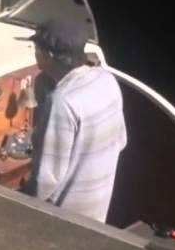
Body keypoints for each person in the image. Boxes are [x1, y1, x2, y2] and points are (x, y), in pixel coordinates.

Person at [19, 18, 128, 223]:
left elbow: (46, 180)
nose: (34, 53)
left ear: (49, 55)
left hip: (65, 217)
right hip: (98, 207)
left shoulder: (62, 101)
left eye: (36, 48)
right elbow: (121, 141)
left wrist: (21, 202)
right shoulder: (106, 79)